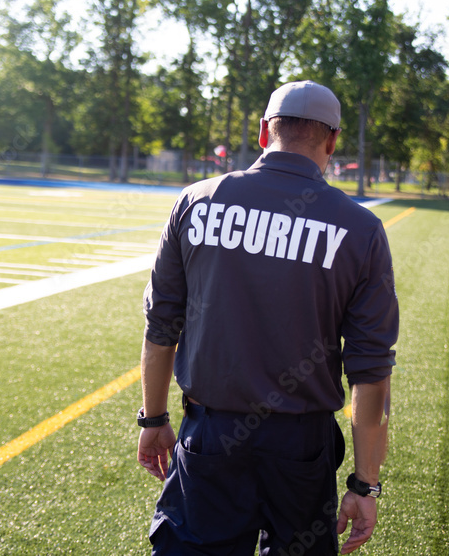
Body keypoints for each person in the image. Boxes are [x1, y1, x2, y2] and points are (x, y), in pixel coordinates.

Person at [137, 80, 399, 556]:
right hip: (302, 446)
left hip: (211, 435)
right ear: (332, 140)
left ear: (263, 132)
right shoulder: (360, 228)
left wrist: (153, 416)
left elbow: (161, 325)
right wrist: (365, 485)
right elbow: (371, 371)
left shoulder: (197, 201)